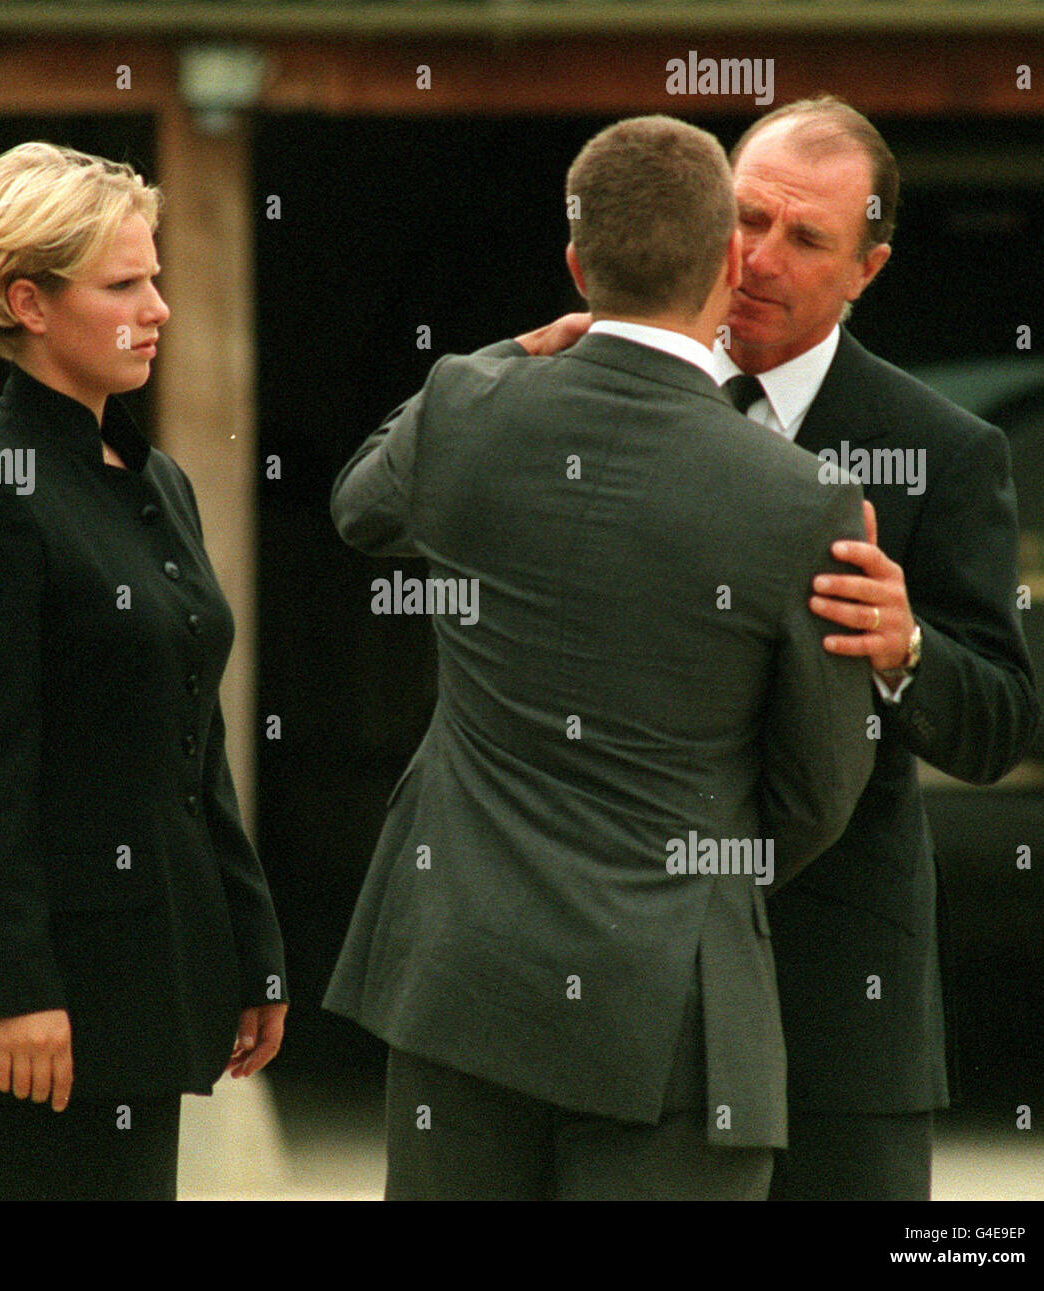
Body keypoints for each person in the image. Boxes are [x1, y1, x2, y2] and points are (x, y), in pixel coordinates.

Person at [322, 115, 876, 1201]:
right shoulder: (798, 499)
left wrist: (496, 359)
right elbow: (818, 790)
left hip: (461, 980)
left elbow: (358, 506)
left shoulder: (468, 412)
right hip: (672, 1007)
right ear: (728, 258)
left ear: (575, 265)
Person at [0, 141, 288, 1201]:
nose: (156, 306)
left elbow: (196, 738)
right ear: (30, 302)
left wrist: (254, 944)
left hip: (146, 988)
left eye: (155, 278)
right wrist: (12, 988)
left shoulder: (157, 484)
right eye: (122, 284)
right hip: (25, 1014)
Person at [711, 97, 1039, 1199]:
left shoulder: (943, 450)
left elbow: (998, 721)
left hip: (839, 997)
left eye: (804, 238)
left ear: (868, 268)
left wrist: (908, 648)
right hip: (633, 980)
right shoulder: (620, 401)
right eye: (745, 218)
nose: (758, 258)